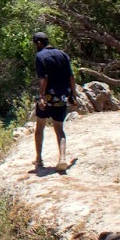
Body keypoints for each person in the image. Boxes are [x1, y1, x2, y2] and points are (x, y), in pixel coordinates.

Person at [31, 31, 76, 172]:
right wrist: (73, 95)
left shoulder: (40, 56)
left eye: (35, 44)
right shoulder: (63, 55)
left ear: (39, 43)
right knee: (59, 128)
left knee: (40, 127)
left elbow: (43, 78)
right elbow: (71, 77)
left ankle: (39, 160)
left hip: (47, 97)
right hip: (61, 97)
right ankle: (62, 158)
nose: (35, 47)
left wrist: (41, 96)